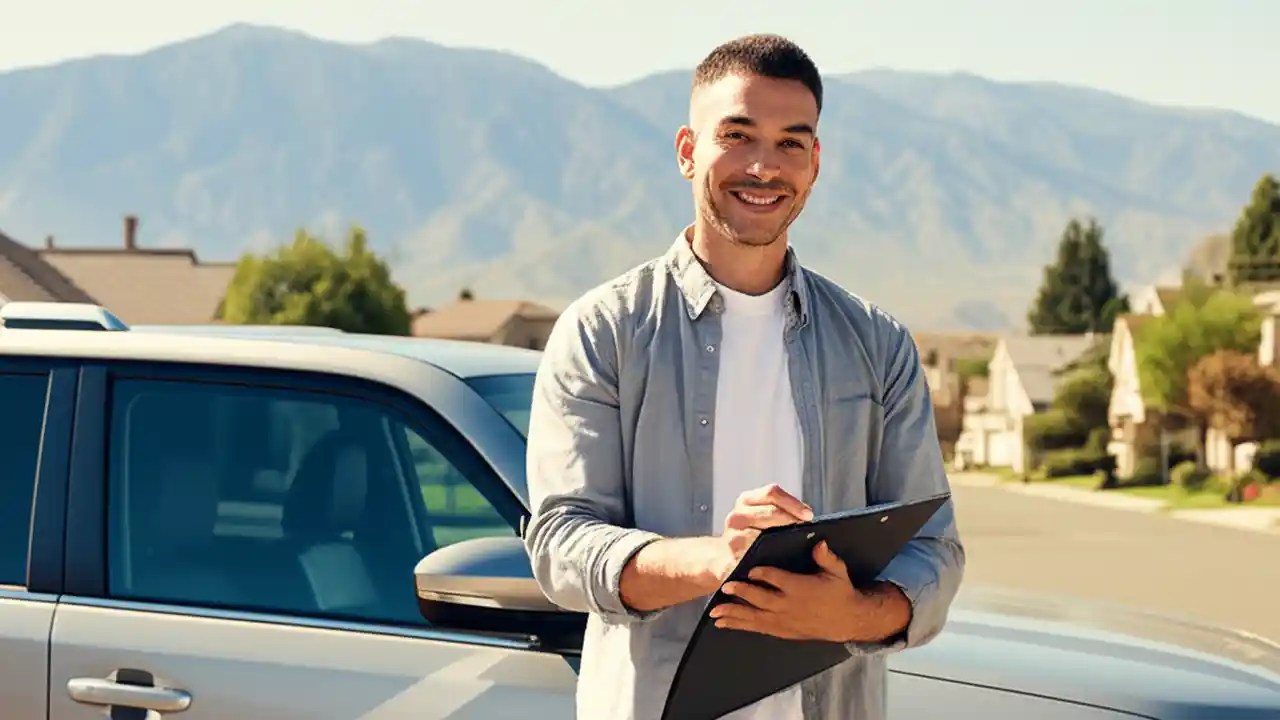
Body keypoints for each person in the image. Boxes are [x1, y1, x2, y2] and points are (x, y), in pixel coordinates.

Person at [523, 33, 965, 720]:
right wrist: (715, 561)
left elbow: (932, 550)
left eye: (792, 142)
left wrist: (850, 612)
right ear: (686, 151)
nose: (765, 165)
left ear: (815, 163)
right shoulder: (604, 331)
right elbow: (560, 545)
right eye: (737, 134)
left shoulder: (877, 344)